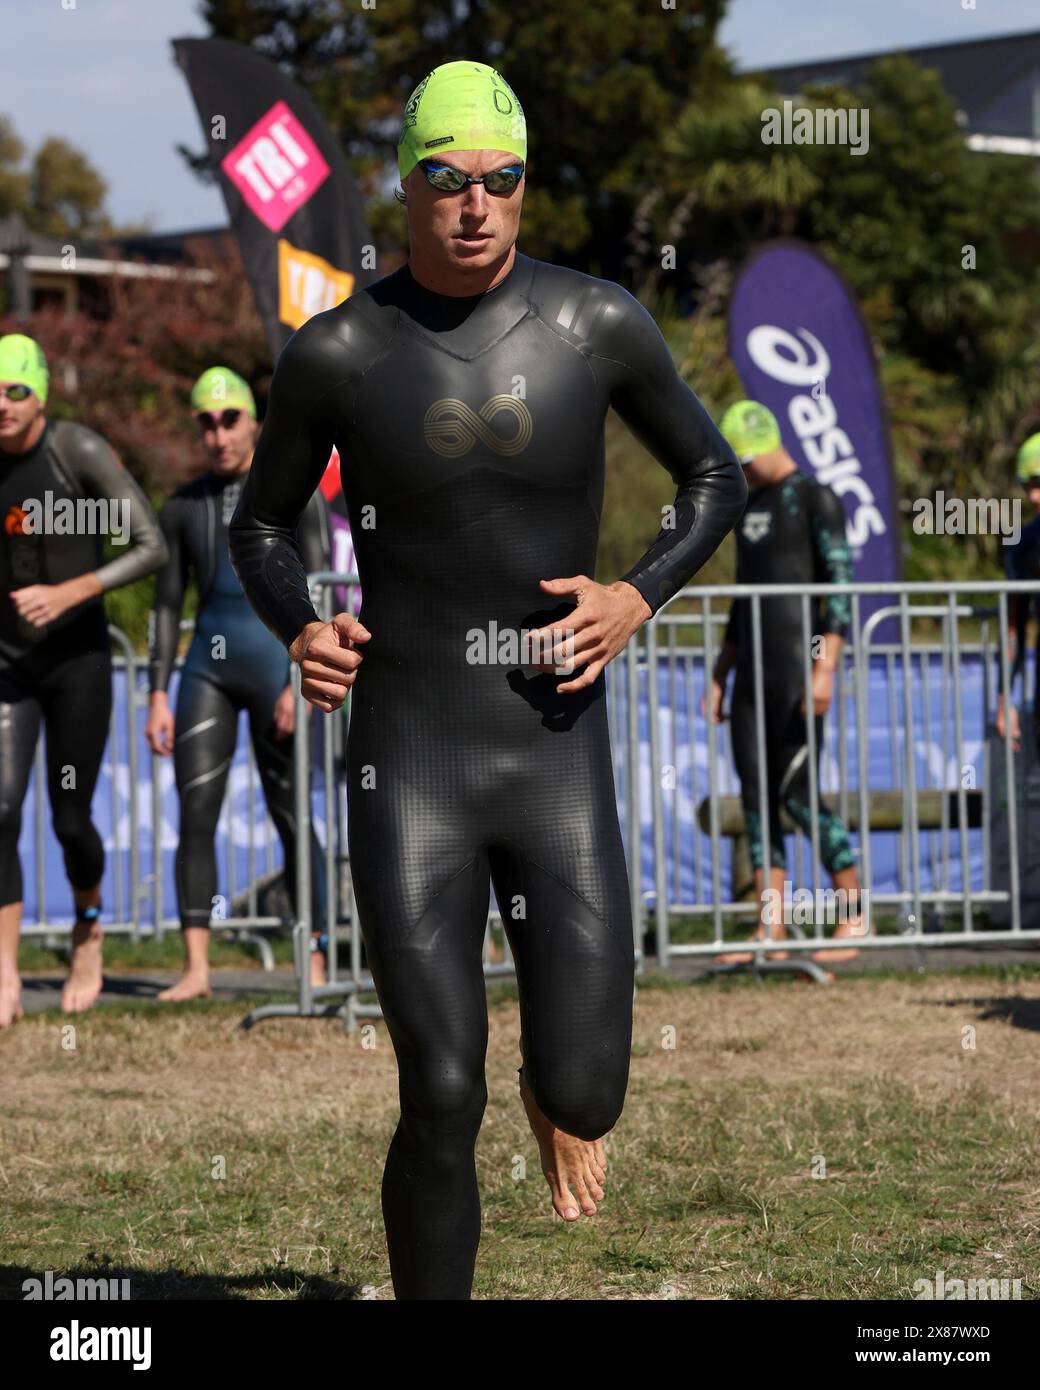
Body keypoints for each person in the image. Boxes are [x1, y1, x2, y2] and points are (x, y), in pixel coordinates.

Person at [228, 60, 747, 1300]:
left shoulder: (596, 322)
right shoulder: (340, 348)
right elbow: (257, 527)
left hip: (552, 745)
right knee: (439, 1083)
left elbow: (714, 477)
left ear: (524, 189)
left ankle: (549, 1088)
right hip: (408, 750)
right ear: (403, 186)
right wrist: (302, 621)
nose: (475, 202)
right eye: (447, 178)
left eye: (501, 179)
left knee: (586, 1088)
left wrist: (635, 594)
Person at [145, 368, 331, 1001]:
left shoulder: (295, 495)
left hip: (278, 667)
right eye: (206, 422)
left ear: (253, 422)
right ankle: (196, 969)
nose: (219, 435)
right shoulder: (181, 507)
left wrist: (296, 676)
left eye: (230, 419)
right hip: (209, 672)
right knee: (196, 812)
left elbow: (321, 588)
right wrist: (155, 694)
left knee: (292, 816)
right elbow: (167, 606)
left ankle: (317, 956)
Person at [0, 333, 167, 1026]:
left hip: (77, 662)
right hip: (7, 663)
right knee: (0, 811)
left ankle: (88, 929)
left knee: (70, 819)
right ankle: (5, 966)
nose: (2, 406)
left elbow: (150, 545)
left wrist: (69, 593)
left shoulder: (77, 451)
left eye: (16, 390)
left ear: (41, 394)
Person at [706, 400, 868, 964]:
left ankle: (855, 912)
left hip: (800, 673)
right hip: (751, 675)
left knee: (797, 795)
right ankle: (770, 927)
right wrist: (720, 675)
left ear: (773, 445)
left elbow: (840, 591)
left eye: (748, 461)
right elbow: (739, 598)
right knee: (756, 798)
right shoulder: (747, 504)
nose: (744, 472)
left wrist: (825, 668)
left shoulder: (815, 499)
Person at [995, 432, 1040, 755]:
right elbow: (1013, 626)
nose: (1035, 496)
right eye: (1027, 486)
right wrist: (1004, 700)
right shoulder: (1021, 546)